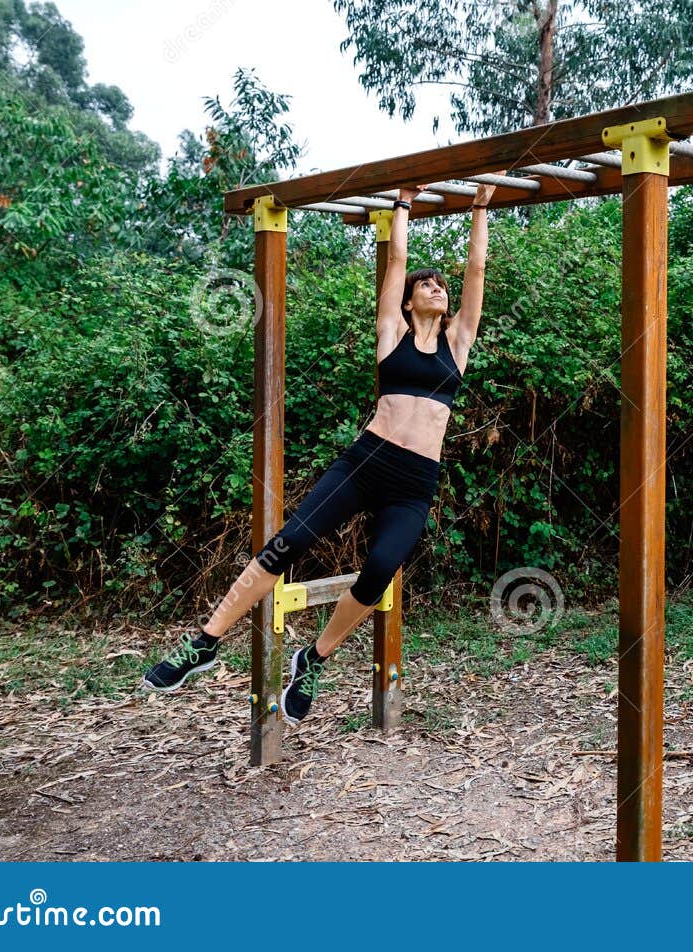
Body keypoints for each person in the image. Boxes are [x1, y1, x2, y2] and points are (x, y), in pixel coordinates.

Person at [140, 181, 496, 725]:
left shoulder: (458, 342)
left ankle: (314, 658)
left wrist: (478, 207)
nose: (435, 288)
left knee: (379, 569)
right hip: (366, 461)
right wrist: (403, 201)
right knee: (289, 543)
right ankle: (204, 644)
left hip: (414, 481)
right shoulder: (390, 334)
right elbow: (397, 258)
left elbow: (475, 271)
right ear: (405, 301)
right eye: (425, 285)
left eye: (439, 287)